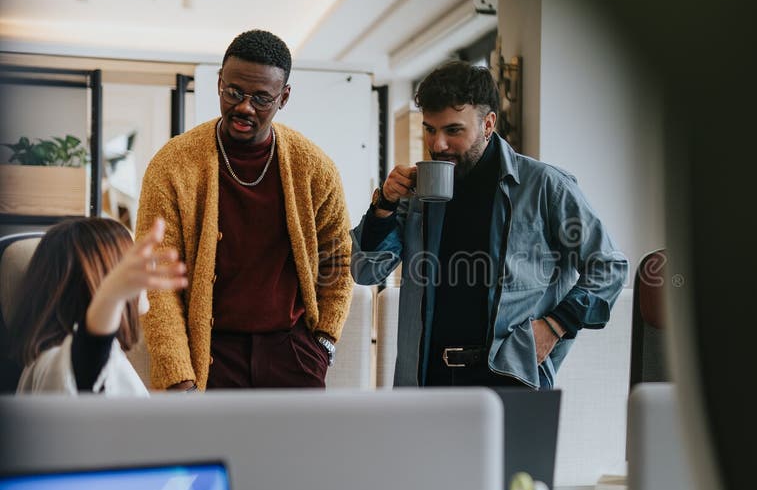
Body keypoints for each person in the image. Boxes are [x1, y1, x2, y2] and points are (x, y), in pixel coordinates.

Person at [351, 60, 628, 389]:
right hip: (427, 379)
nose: (438, 144)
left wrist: (555, 325)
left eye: (453, 130)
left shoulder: (545, 186)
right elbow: (365, 271)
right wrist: (383, 204)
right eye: (430, 128)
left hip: (512, 376)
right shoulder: (419, 189)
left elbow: (609, 266)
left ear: (488, 124)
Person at [136, 29, 353, 392]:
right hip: (209, 352)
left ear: (283, 98)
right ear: (219, 82)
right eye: (233, 92)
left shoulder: (314, 168)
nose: (244, 107)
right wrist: (177, 371)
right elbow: (157, 276)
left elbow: (339, 261)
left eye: (261, 98)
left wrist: (324, 341)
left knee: (300, 451)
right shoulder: (172, 166)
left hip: (292, 351)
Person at [12, 217, 187, 395]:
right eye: (129, 266)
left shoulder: (110, 355)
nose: (146, 269)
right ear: (103, 281)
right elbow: (86, 370)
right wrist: (110, 297)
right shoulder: (56, 362)